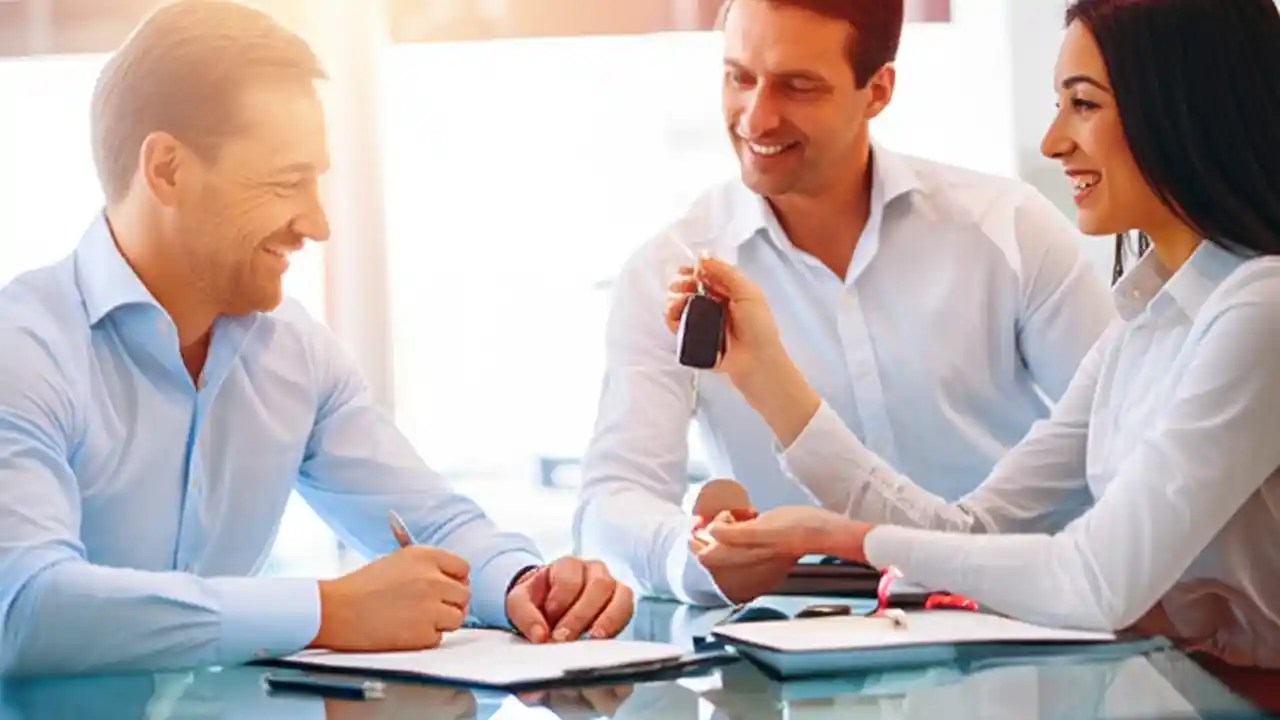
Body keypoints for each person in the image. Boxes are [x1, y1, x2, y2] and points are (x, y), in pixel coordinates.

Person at [0, 1, 632, 676]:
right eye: (286, 183)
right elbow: (25, 608)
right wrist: (325, 612)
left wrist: (524, 587)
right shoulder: (24, 349)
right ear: (167, 171)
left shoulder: (295, 355)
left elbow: (434, 526)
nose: (317, 223)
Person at [680, 0, 1280, 670]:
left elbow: (1097, 582)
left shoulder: (1261, 310)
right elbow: (966, 531)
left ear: (1181, 110)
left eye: (1083, 105)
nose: (1054, 141)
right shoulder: (1142, 330)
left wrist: (838, 536)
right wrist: (766, 376)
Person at [574, 0, 1114, 606]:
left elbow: (1120, 445)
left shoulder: (1008, 229)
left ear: (877, 90)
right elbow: (613, 498)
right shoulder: (670, 272)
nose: (757, 116)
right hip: (796, 631)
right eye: (739, 77)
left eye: (798, 86)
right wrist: (695, 556)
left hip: (1013, 606)